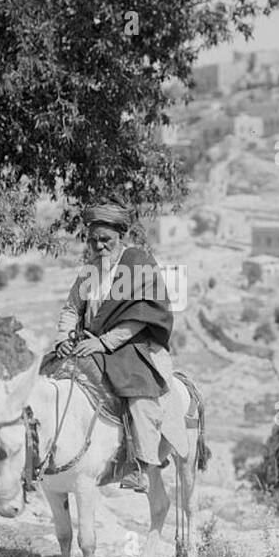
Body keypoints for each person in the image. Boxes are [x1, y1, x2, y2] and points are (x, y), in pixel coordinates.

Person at [52, 202, 181, 493]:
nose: (99, 246)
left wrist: (103, 342)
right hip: (87, 343)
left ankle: (141, 466)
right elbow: (72, 308)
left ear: (120, 236)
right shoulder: (89, 272)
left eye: (105, 240)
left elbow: (142, 315)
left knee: (138, 395)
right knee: (47, 380)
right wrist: (63, 339)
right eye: (93, 240)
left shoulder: (137, 263)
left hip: (127, 346)